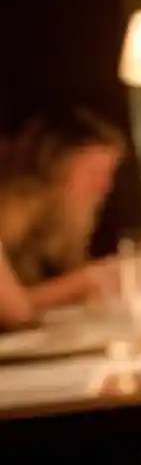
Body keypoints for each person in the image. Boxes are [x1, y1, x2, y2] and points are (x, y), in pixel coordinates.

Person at [0, 108, 123, 328]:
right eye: (94, 172)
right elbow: (16, 311)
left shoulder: (63, 225)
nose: (105, 186)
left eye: (108, 174)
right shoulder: (12, 216)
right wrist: (80, 284)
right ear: (55, 167)